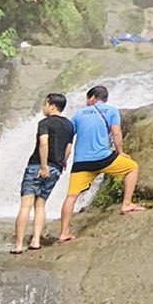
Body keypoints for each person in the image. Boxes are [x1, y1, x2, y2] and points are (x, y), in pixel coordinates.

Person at [57, 85, 144, 242]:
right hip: (104, 158)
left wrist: (64, 160)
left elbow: (69, 142)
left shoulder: (77, 115)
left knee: (71, 196)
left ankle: (64, 233)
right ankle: (127, 203)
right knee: (132, 167)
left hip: (81, 163)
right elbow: (116, 132)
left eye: (87, 98)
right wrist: (120, 152)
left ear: (92, 98)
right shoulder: (111, 111)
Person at [11, 93, 73, 253]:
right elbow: (68, 147)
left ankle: (18, 245)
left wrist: (44, 166)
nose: (43, 107)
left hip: (38, 166)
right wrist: (61, 163)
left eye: (45, 104)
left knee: (26, 205)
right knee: (41, 205)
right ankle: (36, 241)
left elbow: (43, 142)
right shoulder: (69, 125)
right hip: (56, 169)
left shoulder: (44, 123)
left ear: (51, 105)